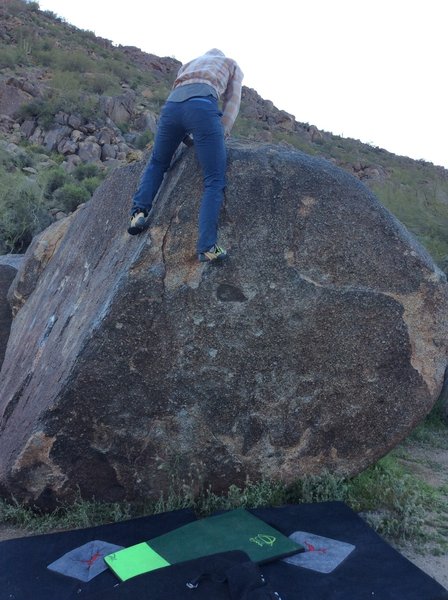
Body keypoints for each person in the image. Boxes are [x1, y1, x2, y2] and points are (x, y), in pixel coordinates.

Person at [128, 48, 244, 262]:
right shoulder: (230, 63)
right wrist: (221, 131)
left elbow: (180, 100)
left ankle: (138, 214)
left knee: (158, 162)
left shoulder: (189, 64)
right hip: (202, 106)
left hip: (172, 107)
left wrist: (187, 137)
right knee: (214, 180)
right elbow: (233, 101)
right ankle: (208, 247)